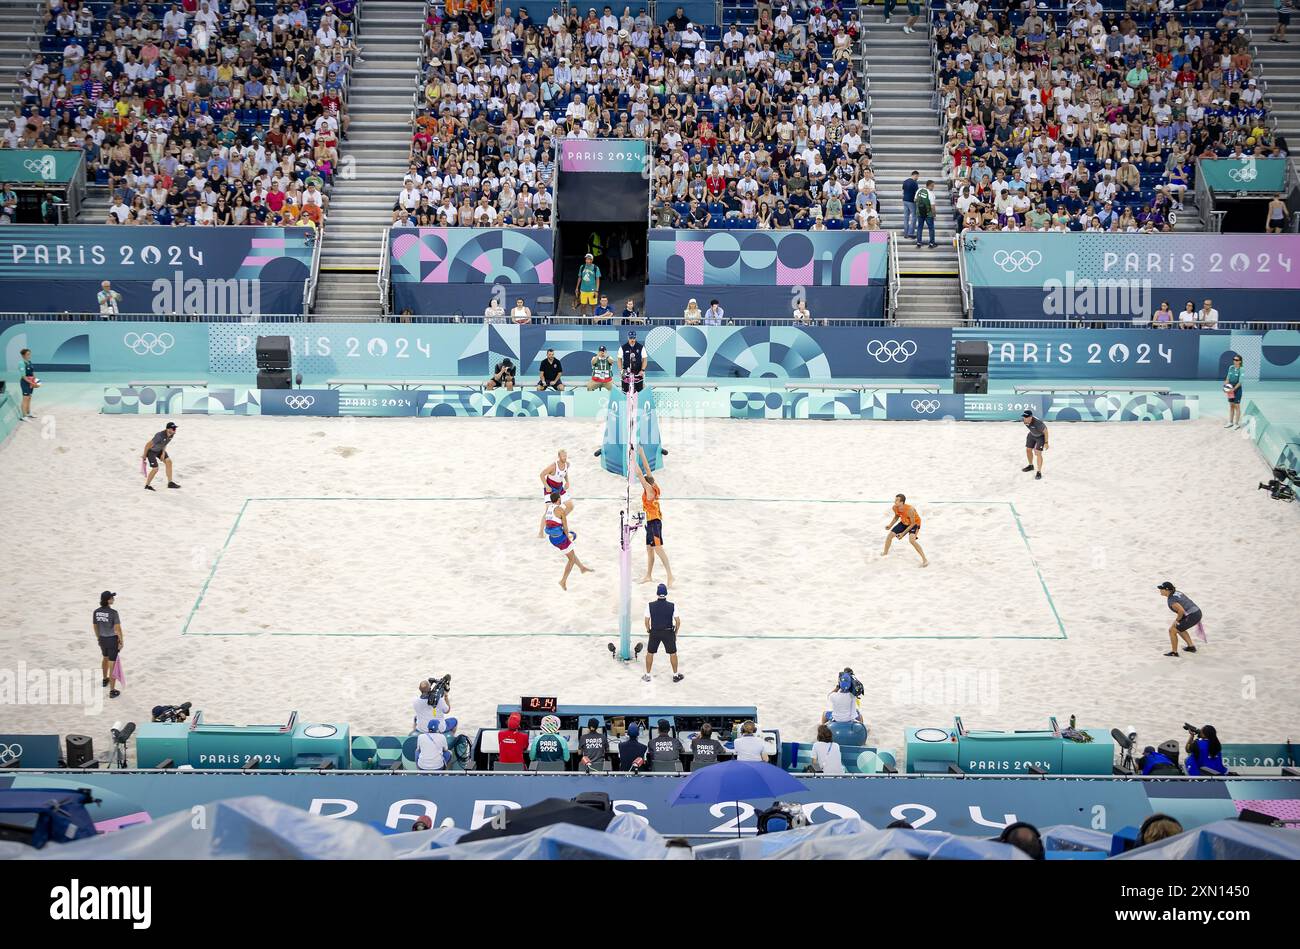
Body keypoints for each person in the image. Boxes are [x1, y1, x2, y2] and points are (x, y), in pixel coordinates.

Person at [635, 446, 674, 586]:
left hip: (655, 522)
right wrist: (641, 453)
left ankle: (670, 575)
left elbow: (640, 475)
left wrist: (632, 458)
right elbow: (646, 469)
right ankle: (648, 575)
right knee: (649, 549)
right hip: (650, 522)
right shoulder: (653, 483)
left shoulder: (650, 490)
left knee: (658, 549)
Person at [540, 490, 592, 590]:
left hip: (552, 539)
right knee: (571, 559)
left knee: (571, 553)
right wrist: (569, 537)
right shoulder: (561, 511)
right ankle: (563, 581)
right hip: (560, 539)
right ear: (559, 499)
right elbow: (565, 527)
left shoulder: (549, 508)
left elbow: (549, 523)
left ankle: (582, 567)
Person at [643, 582, 682, 683]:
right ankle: (675, 675)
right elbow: (678, 621)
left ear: (657, 593)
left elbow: (646, 621)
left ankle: (647, 675)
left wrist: (649, 630)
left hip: (655, 631)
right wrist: (676, 632)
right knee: (673, 654)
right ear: (666, 593)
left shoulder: (650, 605)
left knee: (650, 653)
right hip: (668, 632)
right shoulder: (672, 606)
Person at [1157, 581, 1202, 657]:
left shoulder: (1171, 600)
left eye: (1162, 589)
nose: (1160, 590)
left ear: (1167, 590)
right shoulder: (1177, 592)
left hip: (1192, 615)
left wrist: (1177, 620)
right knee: (1179, 627)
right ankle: (1191, 647)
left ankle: (1174, 652)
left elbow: (1181, 610)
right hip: (1197, 612)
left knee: (1172, 630)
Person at [93, 591, 124, 699]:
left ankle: (104, 679)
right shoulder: (113, 613)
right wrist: (121, 641)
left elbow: (95, 627)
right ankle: (112, 690)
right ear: (108, 600)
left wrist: (98, 638)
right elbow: (117, 629)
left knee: (104, 658)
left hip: (102, 639)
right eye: (112, 598)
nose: (113, 599)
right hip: (111, 640)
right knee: (113, 664)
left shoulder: (96, 612)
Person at [883, 493, 929, 566]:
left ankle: (925, 560)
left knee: (912, 540)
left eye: (897, 500)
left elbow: (913, 523)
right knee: (889, 536)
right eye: (895, 499)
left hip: (914, 523)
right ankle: (885, 554)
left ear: (902, 502)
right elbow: (896, 516)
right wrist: (890, 525)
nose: (895, 501)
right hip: (904, 522)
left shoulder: (910, 509)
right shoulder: (895, 507)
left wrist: (903, 534)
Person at [142, 422, 181, 490]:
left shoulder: (171, 435)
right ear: (168, 429)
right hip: (151, 452)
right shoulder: (159, 436)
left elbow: (165, 444)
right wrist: (144, 455)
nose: (175, 430)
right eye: (173, 428)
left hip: (159, 450)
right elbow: (148, 445)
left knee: (169, 462)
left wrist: (163, 453)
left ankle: (170, 483)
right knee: (155, 469)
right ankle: (147, 485)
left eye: (175, 428)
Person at [1020, 410, 1048, 480]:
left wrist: (1046, 443)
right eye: (1024, 417)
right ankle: (1031, 466)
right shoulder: (1024, 420)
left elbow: (1046, 431)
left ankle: (1039, 472)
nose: (1024, 418)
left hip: (1040, 437)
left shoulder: (1038, 423)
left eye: (1026, 417)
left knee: (1038, 453)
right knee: (1028, 450)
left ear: (1031, 417)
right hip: (1032, 435)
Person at [575, 251, 601, 319]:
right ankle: (583, 317)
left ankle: (594, 317)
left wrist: (596, 290)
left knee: (593, 305)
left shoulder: (596, 268)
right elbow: (579, 277)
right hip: (583, 289)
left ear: (592, 260)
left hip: (592, 290)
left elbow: (598, 280)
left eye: (589, 259)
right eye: (586, 259)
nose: (587, 260)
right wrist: (577, 288)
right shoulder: (582, 267)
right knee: (583, 305)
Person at [618, 328, 646, 393]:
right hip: (626, 371)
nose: (632, 340)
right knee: (625, 391)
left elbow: (645, 359)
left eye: (633, 338)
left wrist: (642, 370)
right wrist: (621, 370)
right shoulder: (623, 347)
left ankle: (638, 402)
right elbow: (619, 359)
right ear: (628, 338)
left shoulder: (641, 347)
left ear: (635, 338)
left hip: (638, 372)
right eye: (630, 338)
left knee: (639, 391)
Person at [914, 179, 937, 248]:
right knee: (931, 228)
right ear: (928, 186)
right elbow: (933, 207)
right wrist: (934, 215)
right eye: (932, 186)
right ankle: (931, 243)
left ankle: (918, 242)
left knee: (919, 228)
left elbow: (915, 200)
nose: (933, 188)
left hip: (919, 213)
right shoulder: (931, 194)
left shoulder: (919, 190)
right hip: (928, 214)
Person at [1224, 354, 1244, 429]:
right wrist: (1226, 385)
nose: (1234, 361)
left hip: (1237, 389)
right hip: (1230, 389)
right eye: (1234, 359)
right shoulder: (1231, 367)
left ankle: (1236, 424)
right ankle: (1230, 422)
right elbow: (1228, 378)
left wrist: (1234, 389)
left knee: (1237, 406)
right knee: (1231, 405)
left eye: (1236, 360)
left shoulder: (1241, 369)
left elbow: (1240, 382)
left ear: (1240, 361)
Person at [17, 347, 38, 419]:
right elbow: (23, 376)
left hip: (31, 382)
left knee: (29, 397)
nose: (29, 356)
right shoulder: (21, 363)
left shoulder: (29, 362)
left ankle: (28, 413)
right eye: (28, 354)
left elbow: (32, 373)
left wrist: (35, 381)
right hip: (25, 382)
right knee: (25, 398)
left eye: (30, 354)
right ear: (23, 355)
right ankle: (24, 415)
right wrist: (31, 383)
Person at [901, 171, 920, 239]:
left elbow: (903, 191)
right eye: (917, 176)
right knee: (914, 217)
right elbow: (917, 193)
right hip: (911, 201)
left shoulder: (905, 181)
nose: (917, 178)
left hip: (905, 200)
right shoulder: (915, 183)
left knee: (906, 217)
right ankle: (911, 233)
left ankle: (906, 234)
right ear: (914, 175)